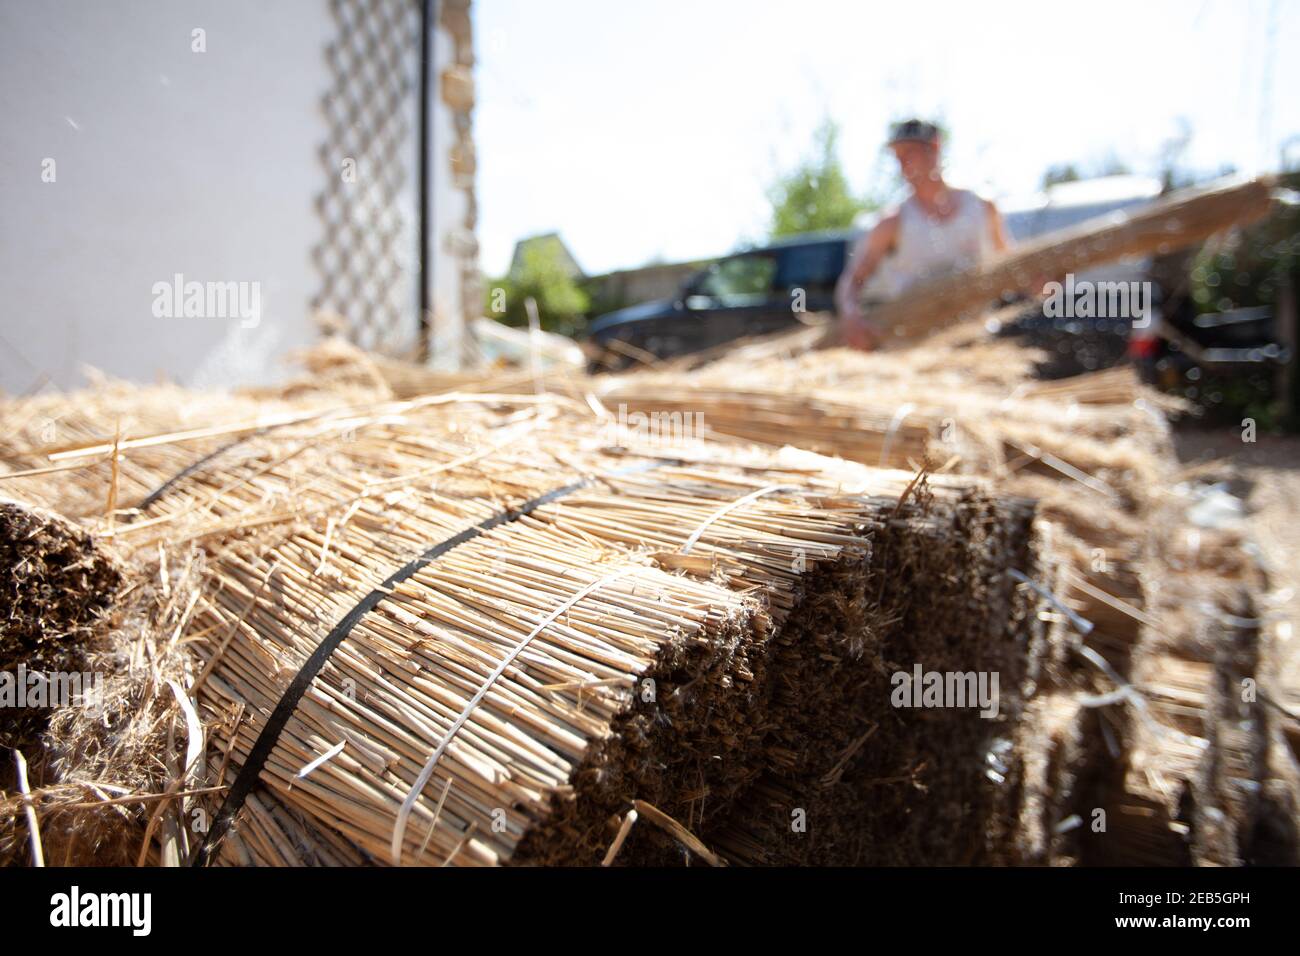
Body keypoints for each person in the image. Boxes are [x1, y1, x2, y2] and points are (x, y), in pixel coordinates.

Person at [834, 119, 1012, 349]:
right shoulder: (893, 222)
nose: (903, 163)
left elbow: (1011, 264)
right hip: (914, 347)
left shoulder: (982, 207)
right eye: (898, 156)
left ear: (935, 147)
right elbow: (851, 281)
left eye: (910, 152)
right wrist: (850, 316)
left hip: (976, 339)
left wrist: (1038, 283)